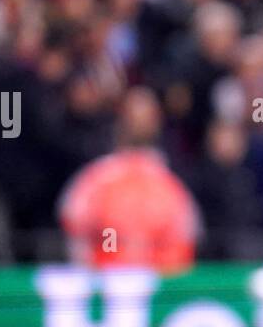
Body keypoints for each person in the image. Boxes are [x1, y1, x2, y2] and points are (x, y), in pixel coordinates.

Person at [59, 86, 198, 275]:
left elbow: (184, 237)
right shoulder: (98, 178)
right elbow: (74, 227)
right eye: (133, 115)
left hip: (157, 287)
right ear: (121, 118)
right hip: (107, 283)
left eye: (146, 116)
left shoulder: (171, 182)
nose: (139, 122)